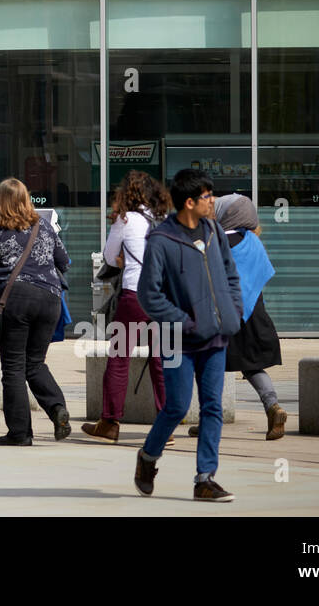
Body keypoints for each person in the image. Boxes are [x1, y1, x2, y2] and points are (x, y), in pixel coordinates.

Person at [134, 169, 241, 502]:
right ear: (189, 202)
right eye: (207, 196)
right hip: (177, 338)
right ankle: (148, 458)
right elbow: (148, 295)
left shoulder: (213, 231)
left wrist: (232, 310)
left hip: (215, 336)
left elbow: (230, 273)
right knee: (177, 407)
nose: (213, 201)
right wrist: (185, 322)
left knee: (212, 408)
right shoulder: (162, 240)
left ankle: (205, 479)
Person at [0, 177, 72, 445]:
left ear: (1, 202)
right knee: (35, 363)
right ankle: (57, 408)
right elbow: (65, 261)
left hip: (16, 300)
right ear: (27, 199)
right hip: (50, 300)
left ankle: (20, 433)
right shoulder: (45, 226)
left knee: (14, 368)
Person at [83, 171, 171, 443]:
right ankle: (165, 427)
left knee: (119, 357)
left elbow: (110, 255)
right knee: (160, 361)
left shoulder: (125, 219)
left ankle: (110, 422)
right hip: (163, 298)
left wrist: (124, 262)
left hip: (135, 294)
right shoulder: (165, 220)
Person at [201, 193, 287, 441]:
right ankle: (273, 407)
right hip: (255, 313)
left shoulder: (217, 242)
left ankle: (209, 421)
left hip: (227, 315)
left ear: (228, 215)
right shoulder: (254, 241)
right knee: (252, 366)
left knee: (209, 364)